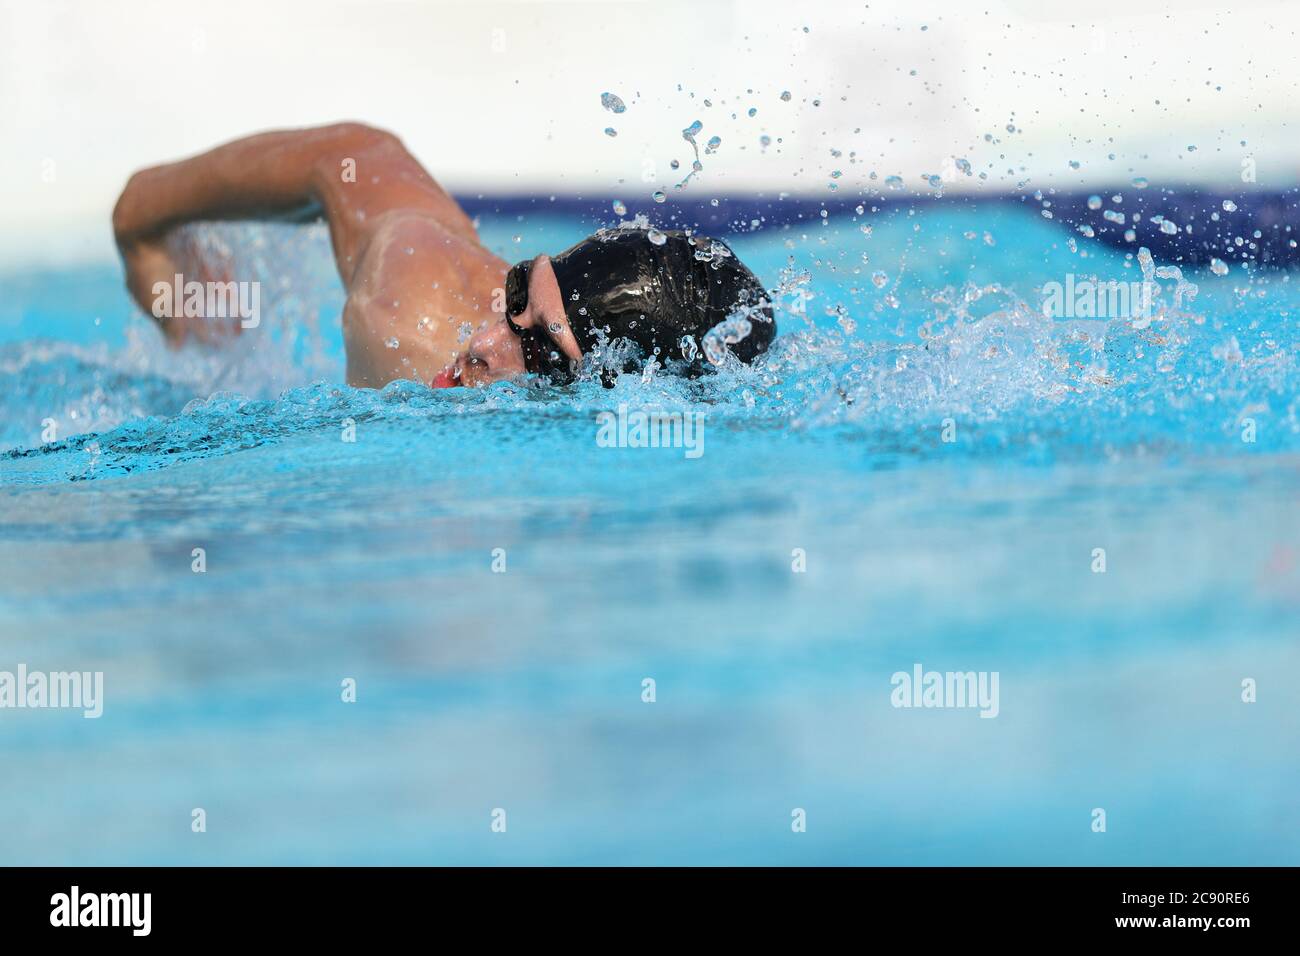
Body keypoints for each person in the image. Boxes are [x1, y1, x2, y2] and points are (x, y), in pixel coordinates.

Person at [111, 122, 776, 389]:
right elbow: (349, 156)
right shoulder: (405, 310)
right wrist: (141, 238)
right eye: (519, 293)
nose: (484, 341)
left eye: (541, 349)